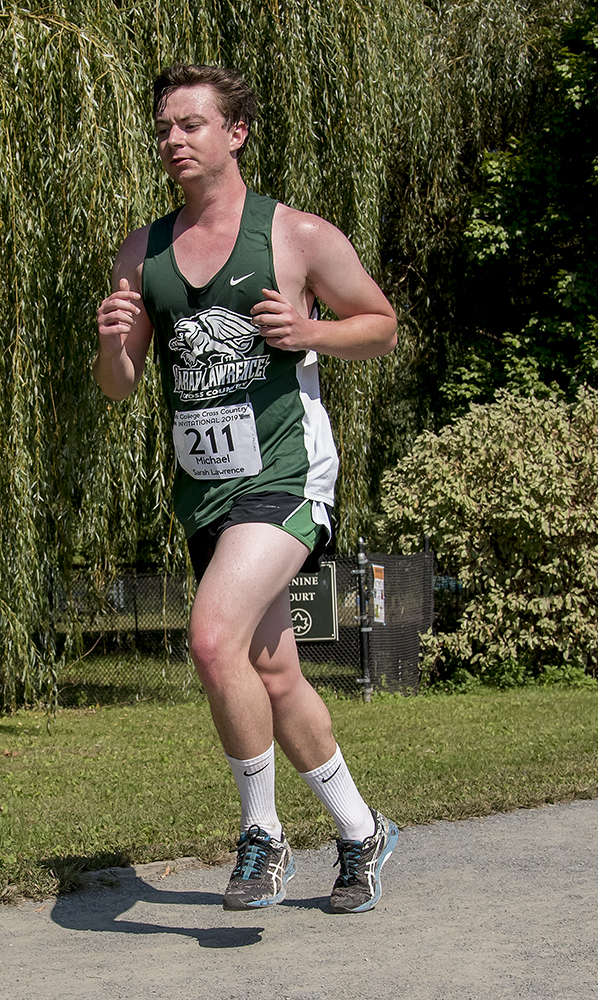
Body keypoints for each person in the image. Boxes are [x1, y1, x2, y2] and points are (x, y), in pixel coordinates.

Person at [93, 65, 399, 914]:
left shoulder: (295, 235)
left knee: (211, 638)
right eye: (163, 128)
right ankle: (361, 831)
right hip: (207, 491)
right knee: (271, 669)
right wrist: (115, 342)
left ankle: (261, 838)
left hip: (286, 472)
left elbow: (381, 326)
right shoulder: (141, 250)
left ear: (235, 134)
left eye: (191, 124)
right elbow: (119, 387)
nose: (173, 140)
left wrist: (310, 332)